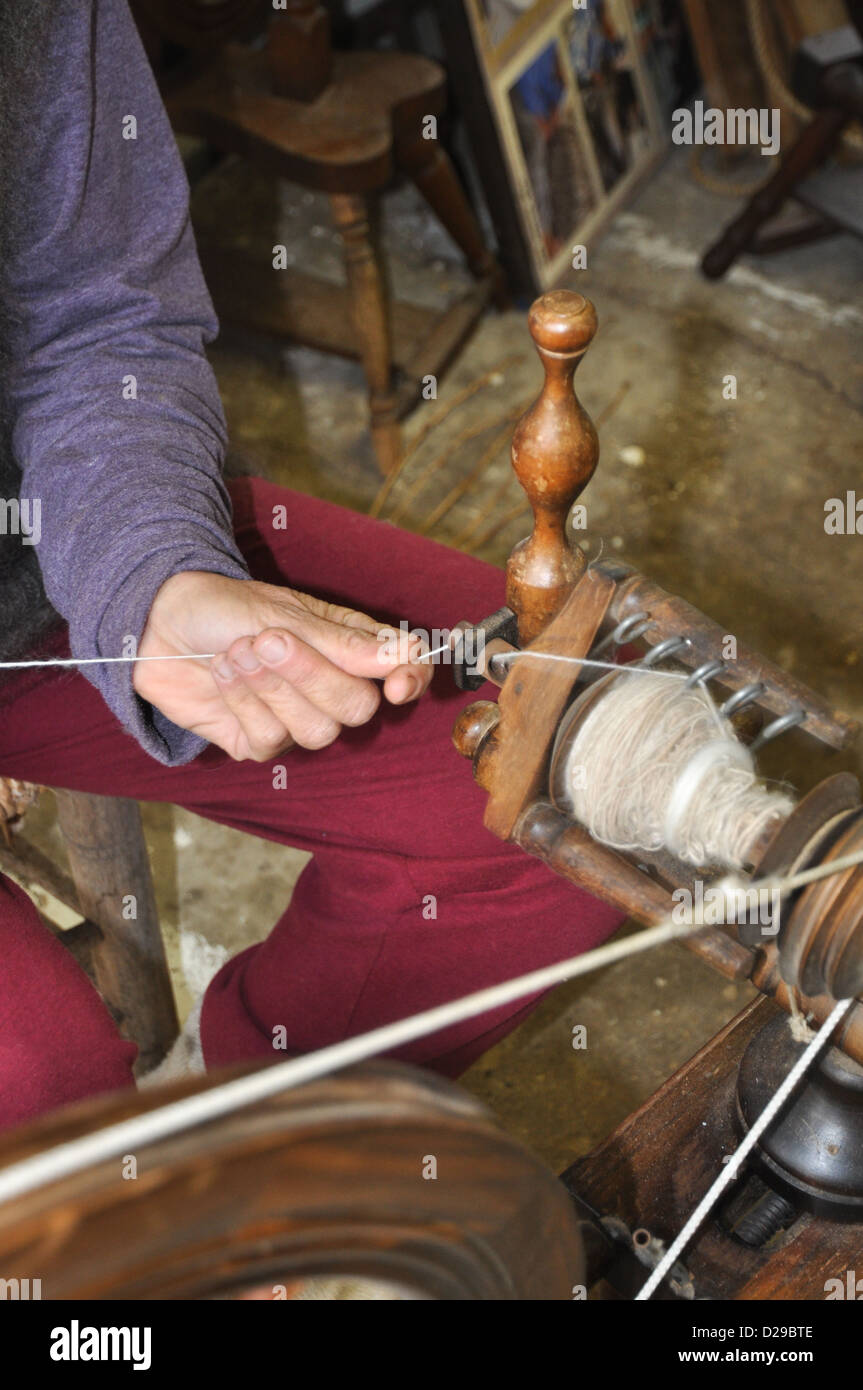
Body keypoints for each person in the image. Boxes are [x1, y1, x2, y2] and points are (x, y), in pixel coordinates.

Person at [0, 0, 623, 1133]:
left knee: (575, 766)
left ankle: (247, 1146)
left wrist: (149, 573)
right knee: (45, 1108)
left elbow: (90, 317)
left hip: (26, 568)